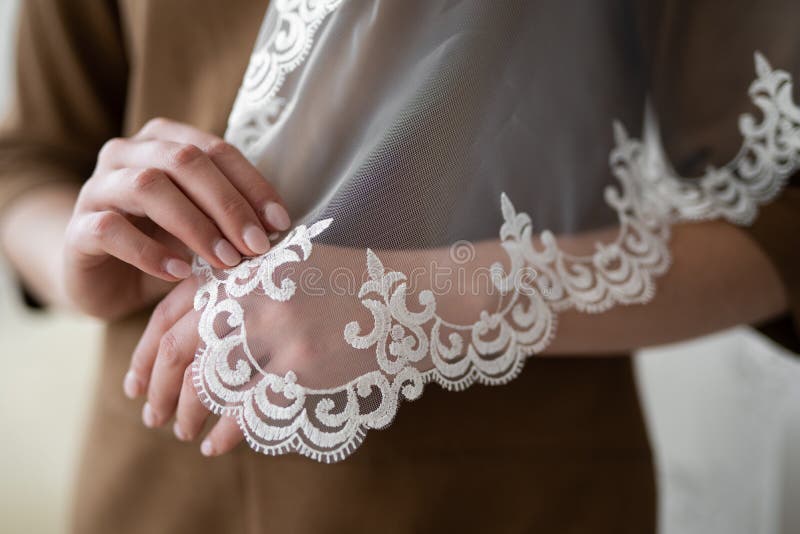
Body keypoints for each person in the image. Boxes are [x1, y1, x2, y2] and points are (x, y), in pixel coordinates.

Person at [0, 1, 798, 533]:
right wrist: (85, 262)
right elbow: (28, 162)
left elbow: (785, 228)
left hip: (508, 491)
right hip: (161, 477)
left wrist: (406, 304)